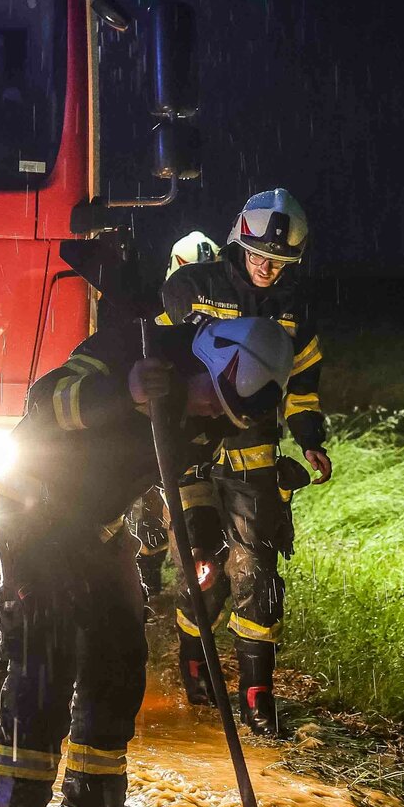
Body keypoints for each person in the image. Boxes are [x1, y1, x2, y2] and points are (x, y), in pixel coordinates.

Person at [0, 315, 294, 807]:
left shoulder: (218, 402)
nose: (209, 415)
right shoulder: (134, 347)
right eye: (211, 402)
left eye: (223, 415)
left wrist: (199, 537)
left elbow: (186, 474)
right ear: (205, 360)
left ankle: (94, 804)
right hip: (34, 515)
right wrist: (123, 390)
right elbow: (45, 399)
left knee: (120, 655)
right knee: (44, 664)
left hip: (98, 527)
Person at [157, 187, 329, 737]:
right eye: (258, 255)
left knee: (257, 573)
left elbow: (301, 383)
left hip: (254, 452)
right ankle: (195, 666)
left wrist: (309, 438)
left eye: (279, 262)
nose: (266, 267)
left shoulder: (294, 309)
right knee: (203, 565)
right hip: (191, 453)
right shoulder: (195, 287)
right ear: (238, 241)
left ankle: (257, 697)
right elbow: (149, 356)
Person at [132, 230, 224, 598]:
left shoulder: (220, 328)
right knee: (148, 510)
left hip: (196, 444)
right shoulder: (152, 328)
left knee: (192, 502)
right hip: (154, 438)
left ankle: (176, 566)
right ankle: (149, 577)